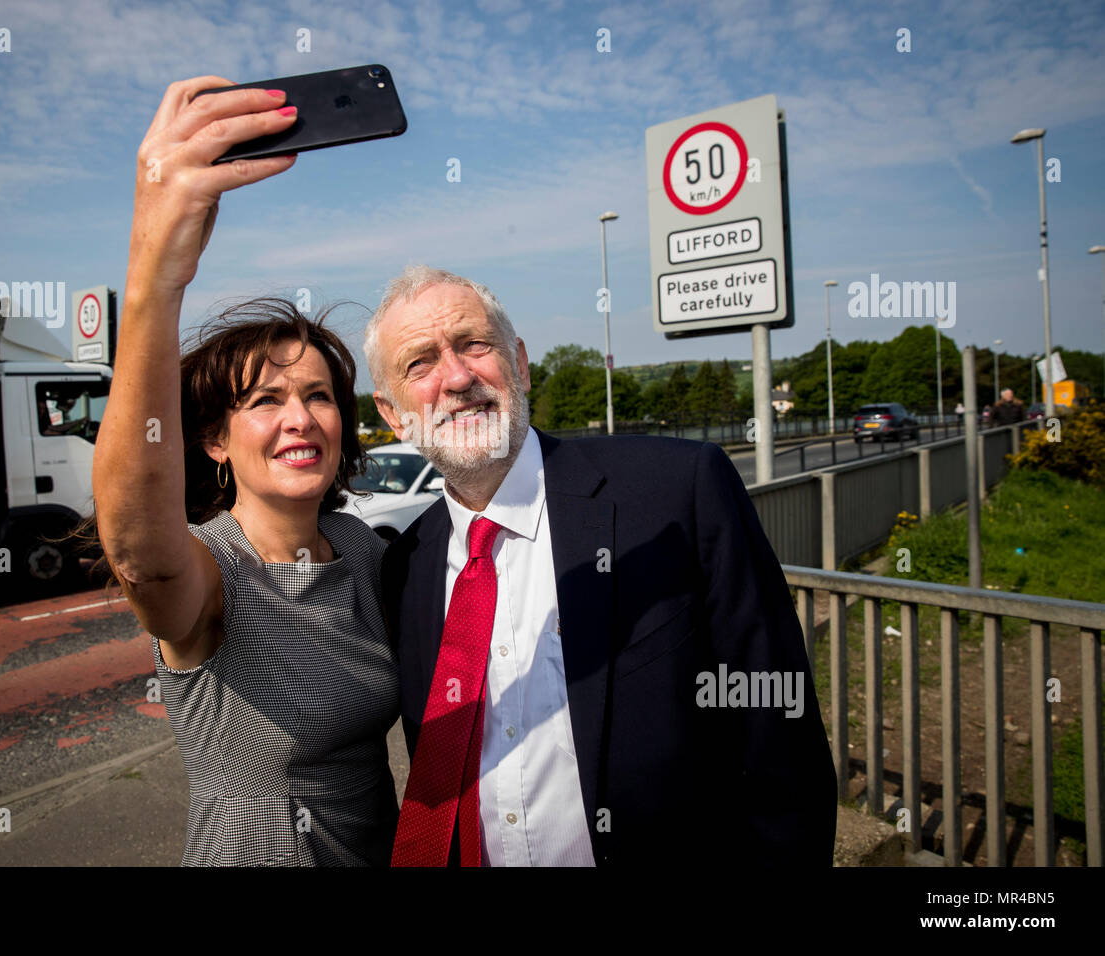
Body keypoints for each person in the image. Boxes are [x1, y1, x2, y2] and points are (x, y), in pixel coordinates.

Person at [365, 266, 835, 867]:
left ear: (520, 364)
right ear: (393, 413)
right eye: (420, 363)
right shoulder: (404, 567)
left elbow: (778, 724)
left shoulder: (675, 493)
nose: (457, 377)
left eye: (474, 344)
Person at [90, 77, 398, 866]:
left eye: (319, 396)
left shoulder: (361, 551)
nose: (300, 417)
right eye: (265, 400)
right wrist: (155, 278)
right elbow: (137, 550)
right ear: (215, 442)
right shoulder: (212, 568)